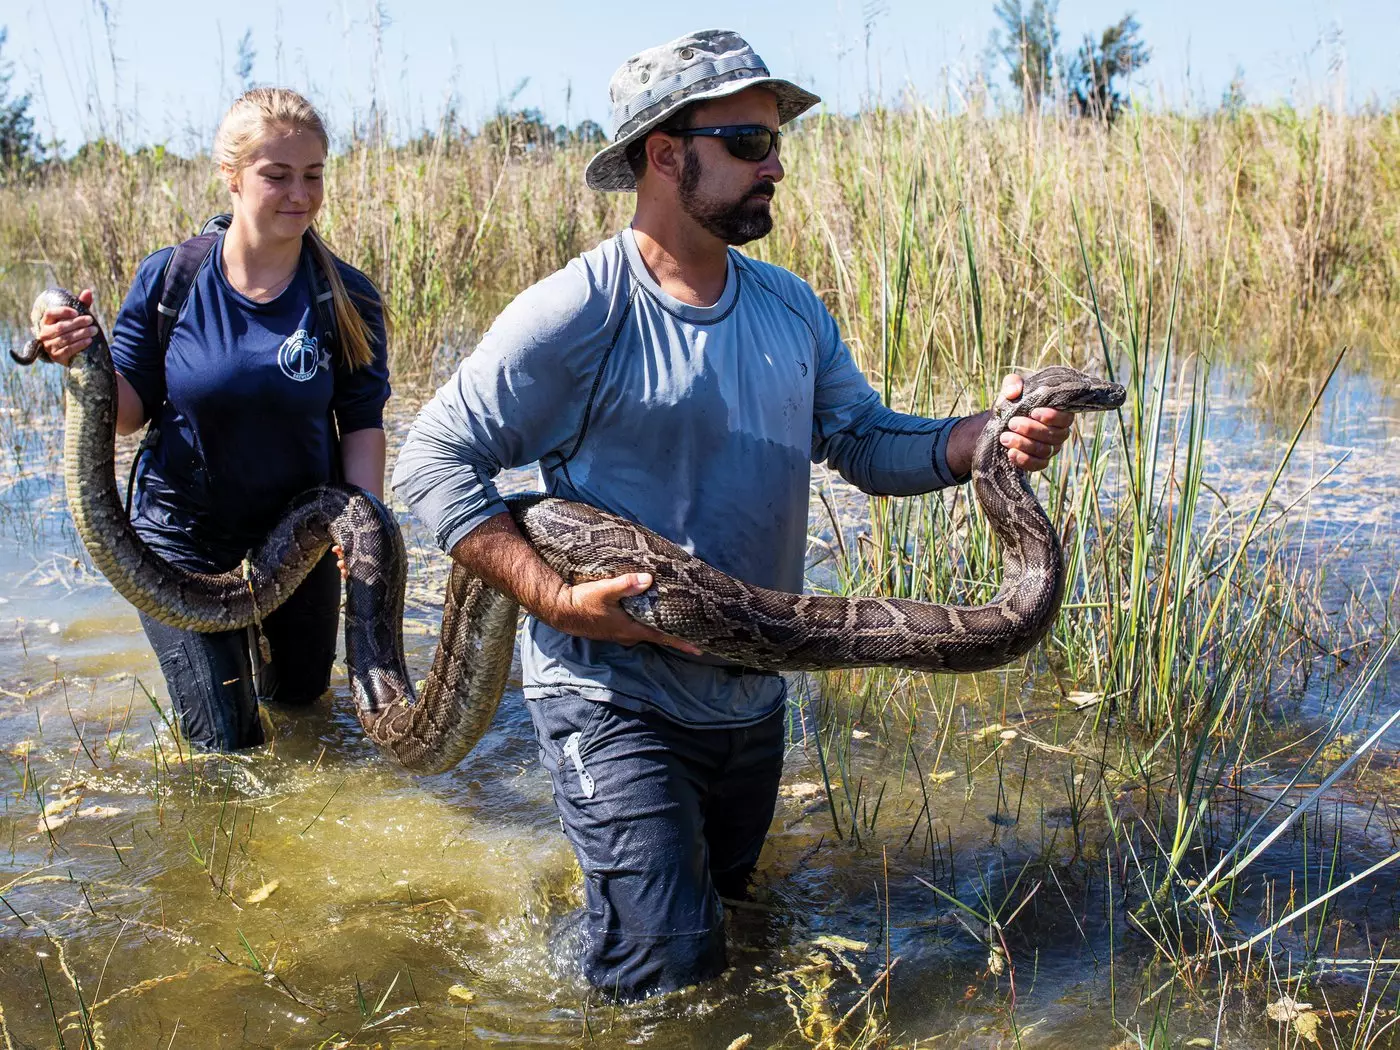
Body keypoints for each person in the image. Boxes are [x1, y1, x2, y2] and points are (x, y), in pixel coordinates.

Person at [393, 30, 1076, 998]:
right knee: (669, 969)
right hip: (609, 695)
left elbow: (863, 441)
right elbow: (431, 458)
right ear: (667, 156)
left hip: (750, 695)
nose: (777, 166)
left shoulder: (789, 308)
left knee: (727, 930)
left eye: (776, 143)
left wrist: (981, 442)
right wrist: (551, 600)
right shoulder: (578, 311)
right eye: (750, 144)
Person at [35, 88, 390, 753]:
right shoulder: (171, 279)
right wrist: (82, 356)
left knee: (304, 712)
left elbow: (362, 423)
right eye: (276, 175)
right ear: (231, 177)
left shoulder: (346, 294)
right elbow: (129, 410)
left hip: (299, 538)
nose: (300, 194)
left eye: (313, 174)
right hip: (181, 540)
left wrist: (362, 525)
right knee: (229, 743)